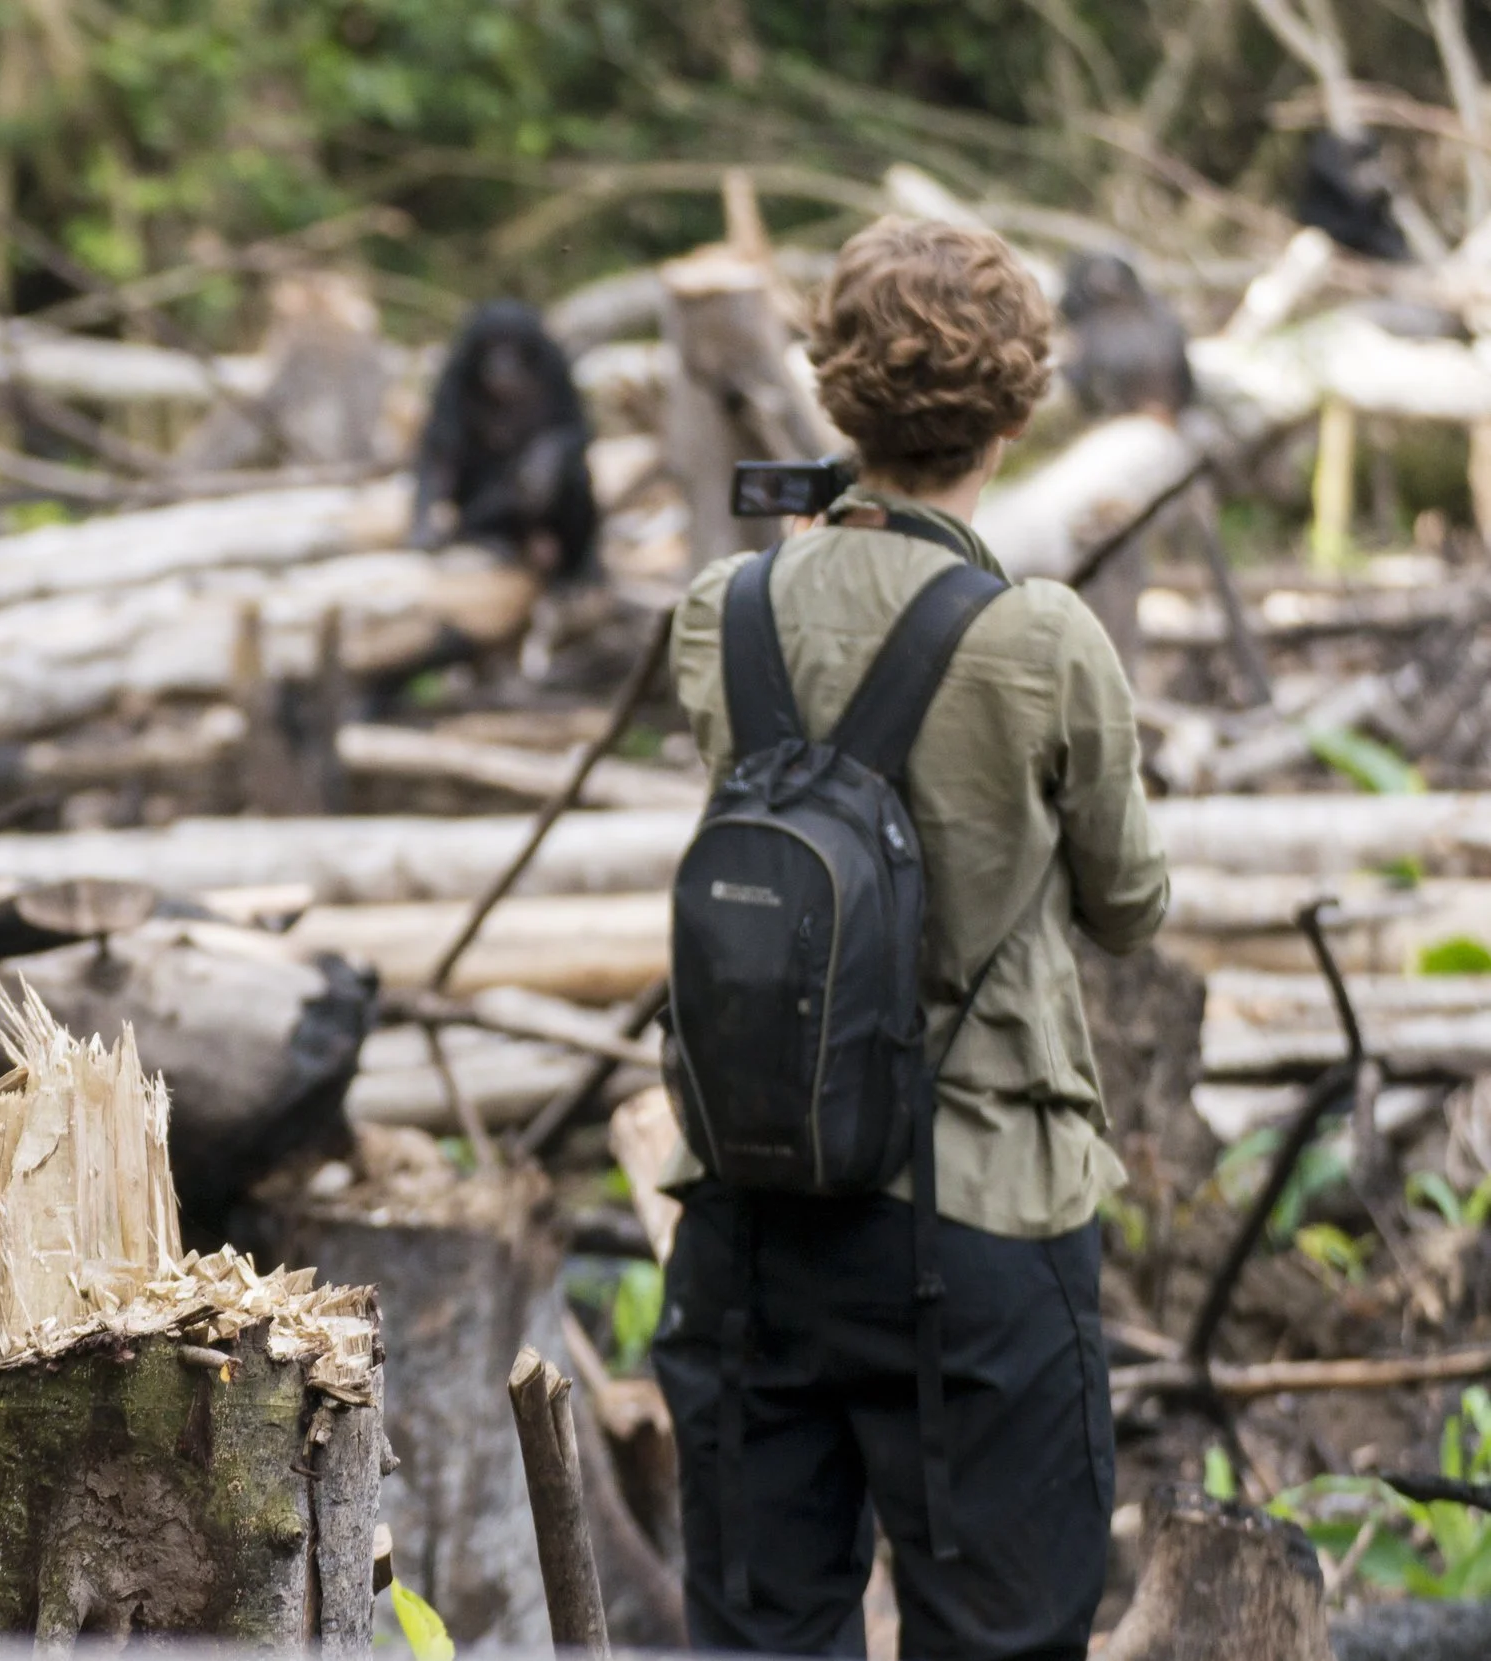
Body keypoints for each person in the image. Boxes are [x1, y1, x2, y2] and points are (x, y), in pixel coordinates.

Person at [651, 217, 1170, 1658]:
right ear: (1016, 416)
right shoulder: (1040, 638)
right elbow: (1132, 906)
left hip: (750, 1214)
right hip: (980, 1215)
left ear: (835, 395)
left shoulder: (723, 614)